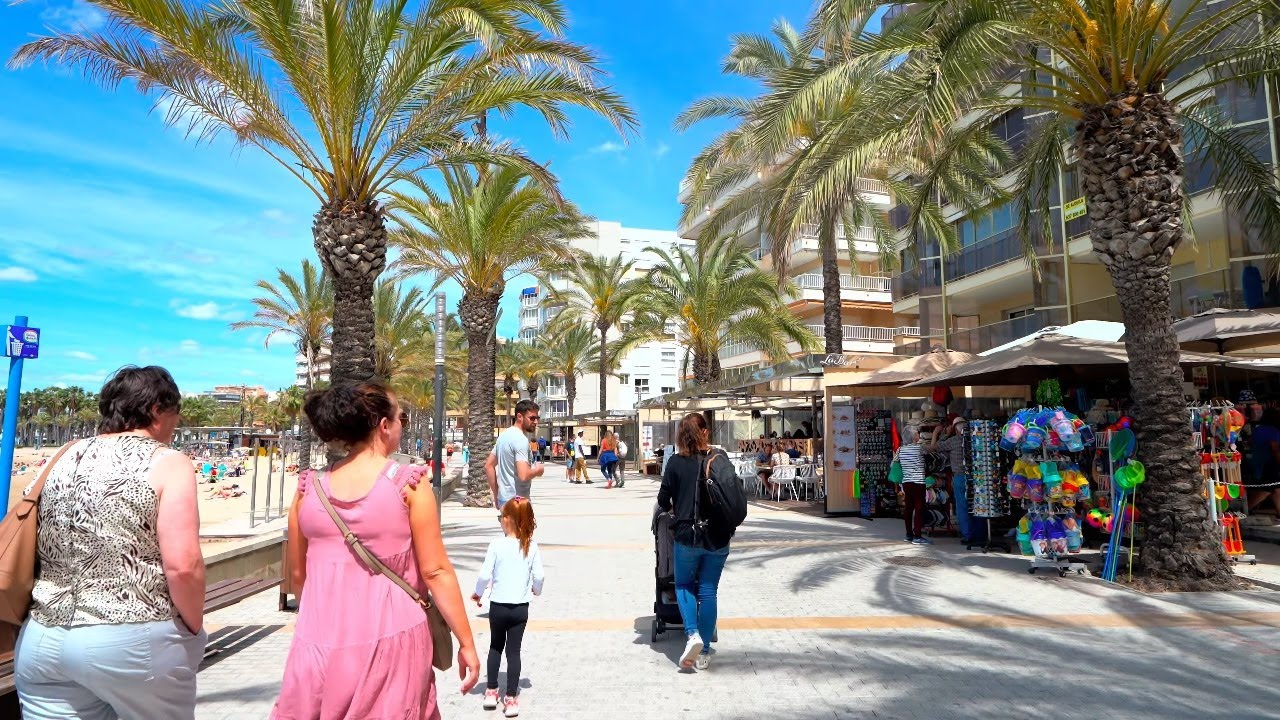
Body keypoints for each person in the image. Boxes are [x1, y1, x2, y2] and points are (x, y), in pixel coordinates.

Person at [273, 382, 480, 718]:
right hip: (393, 640)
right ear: (384, 426)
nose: (401, 424)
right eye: (401, 418)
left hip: (317, 640)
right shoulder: (408, 483)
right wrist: (466, 642)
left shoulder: (308, 489)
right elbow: (436, 571)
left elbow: (298, 576)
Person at [16, 365, 208, 719]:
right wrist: (194, 630)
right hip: (131, 639)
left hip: (42, 638)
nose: (176, 424)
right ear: (155, 410)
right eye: (175, 414)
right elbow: (183, 566)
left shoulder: (62, 456)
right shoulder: (168, 462)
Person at [658, 413, 736, 671]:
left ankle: (692, 634)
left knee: (683, 585)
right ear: (705, 432)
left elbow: (662, 499)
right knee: (708, 591)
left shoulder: (676, 463)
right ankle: (703, 651)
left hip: (687, 535)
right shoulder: (720, 458)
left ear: (681, 435)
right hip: (718, 537)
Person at [471, 497, 545, 718]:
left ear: (508, 520)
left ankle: (491, 691)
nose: (500, 520)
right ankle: (511, 698)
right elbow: (539, 576)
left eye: (501, 516)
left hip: (498, 606)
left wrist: (478, 592)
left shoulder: (496, 545)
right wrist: (536, 590)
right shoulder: (531, 546)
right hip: (520, 608)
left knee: (495, 647)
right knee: (514, 652)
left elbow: (484, 575)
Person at [486, 400, 545, 508]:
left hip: (504, 499)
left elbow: (489, 465)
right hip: (518, 502)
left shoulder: (504, 436)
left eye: (537, 418)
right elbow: (524, 475)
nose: (536, 422)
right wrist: (538, 470)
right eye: (532, 418)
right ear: (519, 416)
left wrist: (496, 495)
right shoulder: (520, 440)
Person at [928, 417, 973, 543]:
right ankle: (979, 534)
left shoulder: (953, 441)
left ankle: (968, 536)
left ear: (955, 429)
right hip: (975, 477)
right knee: (977, 505)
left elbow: (935, 447)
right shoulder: (974, 439)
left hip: (960, 477)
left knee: (962, 506)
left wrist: (939, 434)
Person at [895, 426, 930, 544]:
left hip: (906, 482)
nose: (918, 434)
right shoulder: (919, 448)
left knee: (908, 508)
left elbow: (893, 464)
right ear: (913, 436)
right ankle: (918, 536)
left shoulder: (900, 450)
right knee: (919, 508)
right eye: (917, 433)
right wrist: (935, 435)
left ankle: (908, 534)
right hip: (919, 482)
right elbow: (931, 450)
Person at [1248, 407, 1280, 517]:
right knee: (1267, 488)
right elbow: (1274, 449)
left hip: (1257, 461)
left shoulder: (1258, 429)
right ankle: (1246, 508)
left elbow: (1251, 442)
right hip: (1269, 463)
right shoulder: (1273, 431)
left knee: (1275, 488)